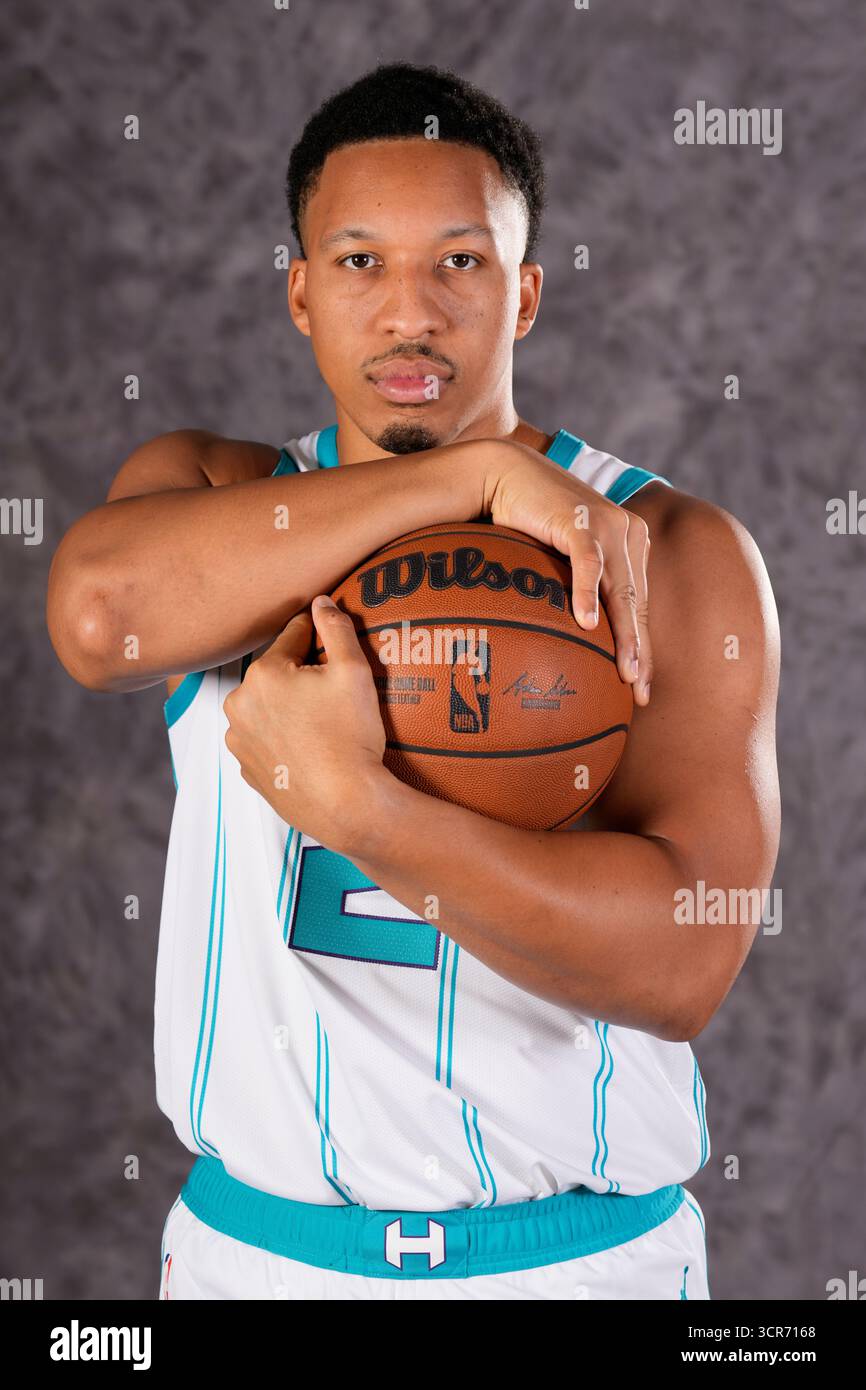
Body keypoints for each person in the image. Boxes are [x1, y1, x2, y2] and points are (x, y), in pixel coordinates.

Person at [46, 62, 780, 1300]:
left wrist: (361, 813)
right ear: (296, 293)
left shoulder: (670, 546)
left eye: (459, 261)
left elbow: (679, 963)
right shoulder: (214, 493)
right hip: (260, 1267)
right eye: (355, 263)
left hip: (577, 1270)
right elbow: (95, 616)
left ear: (525, 292)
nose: (408, 314)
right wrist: (468, 481)